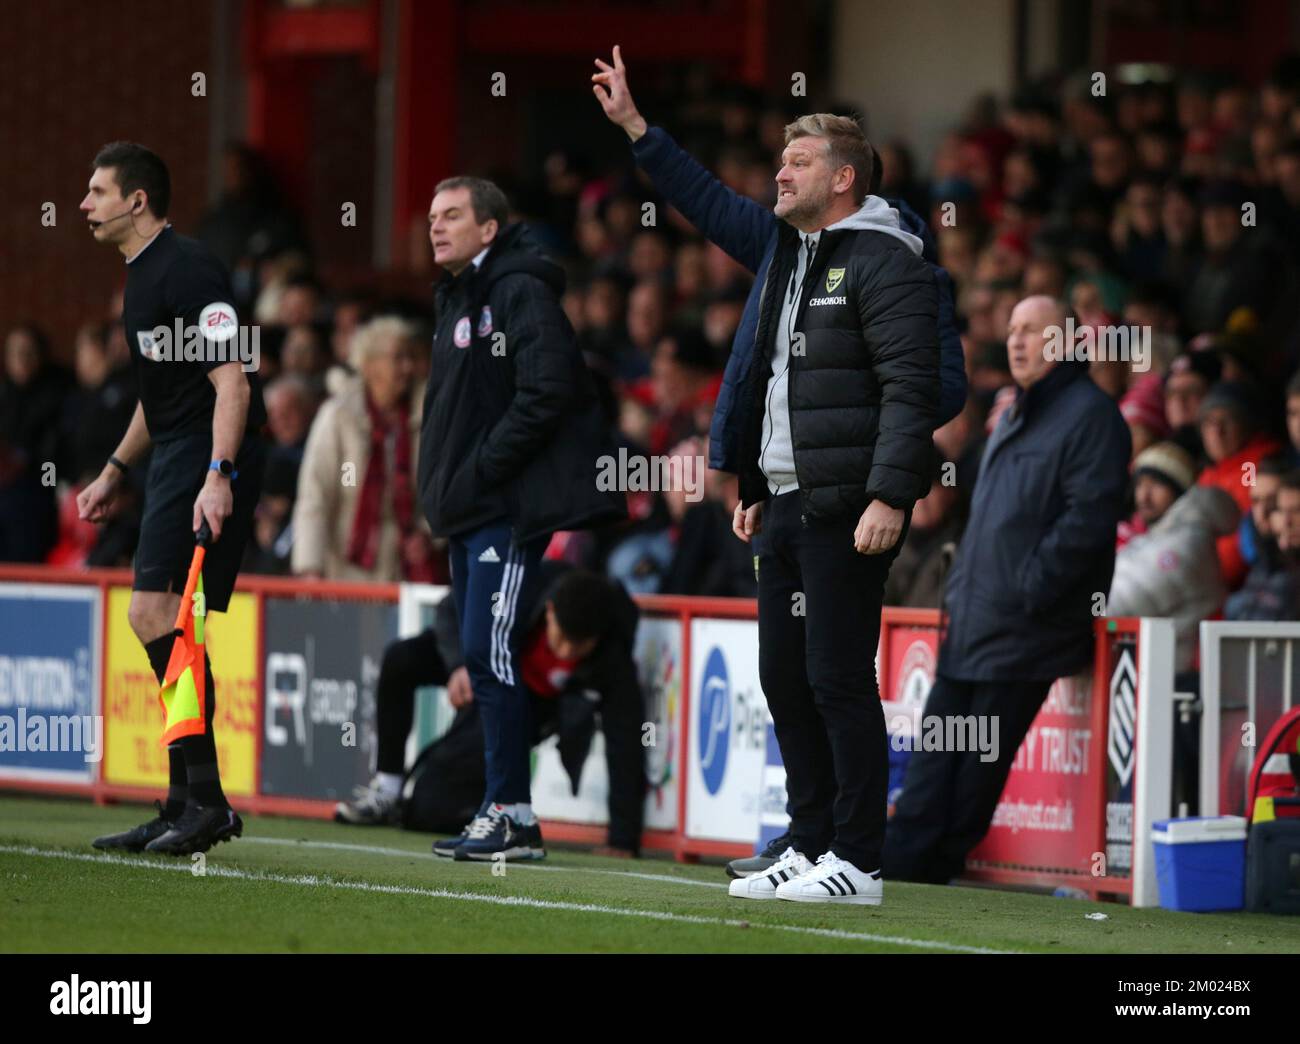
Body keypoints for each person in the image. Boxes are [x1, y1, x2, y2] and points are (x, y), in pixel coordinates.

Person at [595, 46, 942, 904]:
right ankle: (811, 840)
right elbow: (709, 204)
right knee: (785, 679)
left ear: (847, 178)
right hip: (782, 503)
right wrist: (639, 129)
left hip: (844, 505)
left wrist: (892, 492)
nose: (779, 174)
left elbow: (913, 385)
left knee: (836, 678)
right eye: (781, 160)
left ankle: (859, 861)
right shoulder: (790, 249)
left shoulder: (886, 260)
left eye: (799, 161)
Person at [883, 295, 1130, 885]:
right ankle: (900, 875)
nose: (1017, 341)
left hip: (1025, 633)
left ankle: (921, 880)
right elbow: (987, 521)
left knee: (971, 782)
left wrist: (1027, 590)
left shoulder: (1092, 417)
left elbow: (1088, 522)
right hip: (972, 623)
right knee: (929, 774)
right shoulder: (1013, 411)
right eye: (1013, 329)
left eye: (1033, 331)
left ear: (1066, 340)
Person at [418, 176, 626, 862]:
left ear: (489, 229)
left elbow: (547, 390)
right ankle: (509, 813)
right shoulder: (456, 297)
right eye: (432, 217)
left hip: (504, 510)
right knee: (484, 655)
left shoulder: (517, 291)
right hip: (470, 511)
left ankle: (508, 811)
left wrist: (481, 471)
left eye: (452, 215)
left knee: (491, 651)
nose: (437, 227)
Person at [77, 141, 266, 855]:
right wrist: (116, 470)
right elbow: (161, 398)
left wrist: (218, 475)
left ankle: (205, 801)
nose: (85, 205)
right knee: (165, 618)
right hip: (177, 454)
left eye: (97, 192)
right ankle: (186, 802)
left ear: (137, 201)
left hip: (207, 455)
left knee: (158, 614)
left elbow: (233, 379)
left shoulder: (188, 269)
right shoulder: (141, 277)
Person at [336, 563, 646, 856]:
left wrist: (623, 838)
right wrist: (460, 664)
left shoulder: (612, 657)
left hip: (517, 710)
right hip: (483, 664)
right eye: (561, 638)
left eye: (578, 646)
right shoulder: (527, 585)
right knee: (401, 658)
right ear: (549, 611)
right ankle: (387, 789)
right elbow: (452, 607)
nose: (565, 652)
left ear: (597, 637)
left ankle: (492, 818)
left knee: (429, 806)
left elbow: (626, 743)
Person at [291, 317, 433, 582]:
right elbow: (315, 496)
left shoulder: (424, 418)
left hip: (405, 573)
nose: (408, 367)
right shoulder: (338, 416)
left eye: (411, 358)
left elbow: (439, 491)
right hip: (345, 571)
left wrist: (428, 534)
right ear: (369, 365)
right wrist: (309, 566)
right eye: (398, 358)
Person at [1108, 445, 1239, 672]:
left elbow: (1116, 605)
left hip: (1177, 683)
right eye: (1140, 484)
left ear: (1179, 491)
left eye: (1156, 484)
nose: (1144, 495)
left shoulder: (1188, 543)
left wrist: (1083, 603)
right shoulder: (1155, 537)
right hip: (1157, 675)